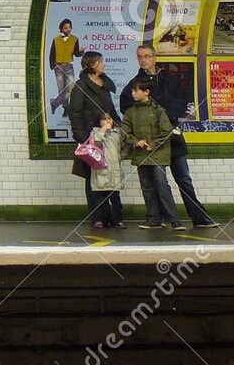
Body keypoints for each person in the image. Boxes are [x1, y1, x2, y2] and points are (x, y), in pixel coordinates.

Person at [120, 44, 215, 227]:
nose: (143, 60)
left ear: (155, 58)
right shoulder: (134, 84)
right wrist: (143, 121)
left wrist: (165, 115)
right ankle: (159, 218)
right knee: (157, 182)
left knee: (183, 179)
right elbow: (126, 106)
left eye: (147, 56)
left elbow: (183, 100)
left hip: (172, 137)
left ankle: (199, 217)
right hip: (152, 142)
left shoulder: (170, 80)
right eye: (139, 57)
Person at [121, 75, 185, 230]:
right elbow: (124, 132)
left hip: (158, 155)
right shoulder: (130, 112)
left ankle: (174, 220)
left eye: (136, 91)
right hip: (141, 154)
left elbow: (167, 131)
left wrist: (153, 145)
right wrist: (136, 142)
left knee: (162, 186)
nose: (133, 94)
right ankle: (153, 219)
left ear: (146, 92)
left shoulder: (158, 110)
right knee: (147, 188)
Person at [67, 50, 121, 229]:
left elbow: (111, 110)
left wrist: (120, 129)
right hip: (91, 139)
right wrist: (84, 139)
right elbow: (74, 113)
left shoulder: (105, 85)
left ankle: (113, 217)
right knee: (93, 179)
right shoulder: (80, 86)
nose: (104, 64)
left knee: (108, 177)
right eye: (101, 62)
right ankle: (97, 217)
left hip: (108, 138)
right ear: (92, 65)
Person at [86, 112, 125, 230]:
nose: (107, 121)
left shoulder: (117, 133)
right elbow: (96, 143)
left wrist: (121, 156)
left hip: (114, 169)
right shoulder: (95, 132)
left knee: (115, 197)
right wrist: (103, 130)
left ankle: (118, 220)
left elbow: (124, 146)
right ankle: (100, 220)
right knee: (99, 197)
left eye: (109, 118)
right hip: (100, 169)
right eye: (103, 119)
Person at [48, 19, 79, 118]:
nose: (68, 29)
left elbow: (76, 53)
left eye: (70, 27)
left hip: (69, 66)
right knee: (61, 90)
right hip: (59, 67)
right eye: (66, 28)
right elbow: (52, 54)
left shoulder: (75, 39)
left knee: (70, 88)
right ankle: (66, 109)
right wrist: (53, 65)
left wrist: (81, 52)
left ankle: (54, 103)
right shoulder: (56, 39)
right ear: (61, 28)